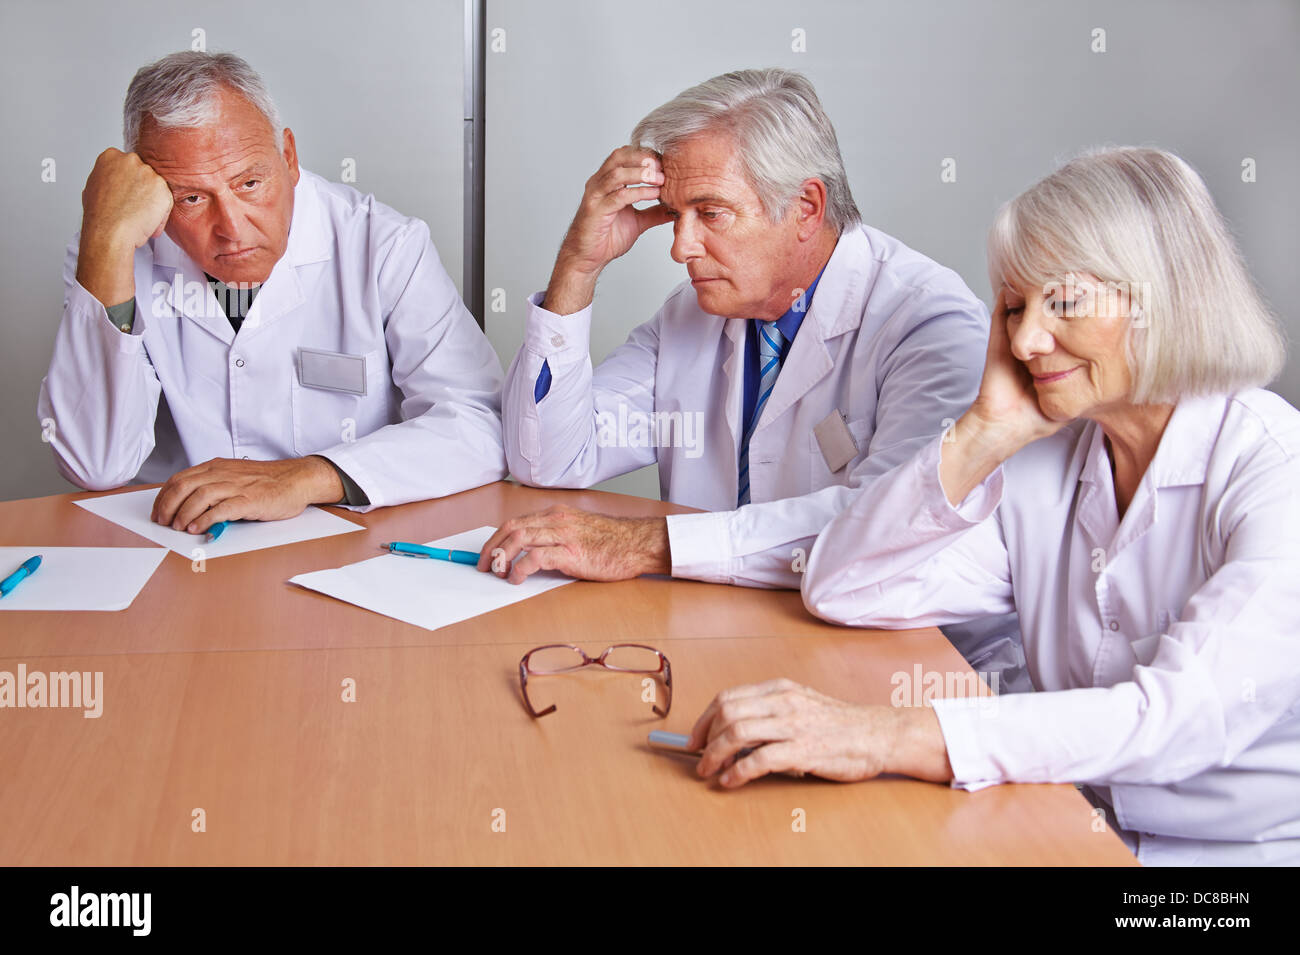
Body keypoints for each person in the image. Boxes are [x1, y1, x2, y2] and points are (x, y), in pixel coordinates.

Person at [689, 146, 1298, 866]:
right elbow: (842, 587)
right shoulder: (1048, 453)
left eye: (1062, 301)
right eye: (1013, 307)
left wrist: (884, 735)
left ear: (1163, 296)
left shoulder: (1275, 471)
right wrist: (980, 432)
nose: (1026, 341)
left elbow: (1173, 719)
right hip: (1057, 816)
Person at [482, 69, 1023, 686]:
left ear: (805, 208)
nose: (680, 246)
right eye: (674, 214)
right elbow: (548, 458)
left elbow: (878, 532)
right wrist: (578, 265)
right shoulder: (695, 313)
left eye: (710, 213)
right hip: (739, 637)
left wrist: (643, 544)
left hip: (915, 667)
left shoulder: (929, 323)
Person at [37, 51, 505, 533]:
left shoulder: (384, 246)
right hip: (182, 545)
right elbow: (93, 465)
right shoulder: (112, 249)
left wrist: (307, 477)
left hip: (348, 544)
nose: (233, 229)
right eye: (191, 199)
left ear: (289, 158)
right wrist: (105, 240)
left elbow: (477, 424)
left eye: (250, 182)